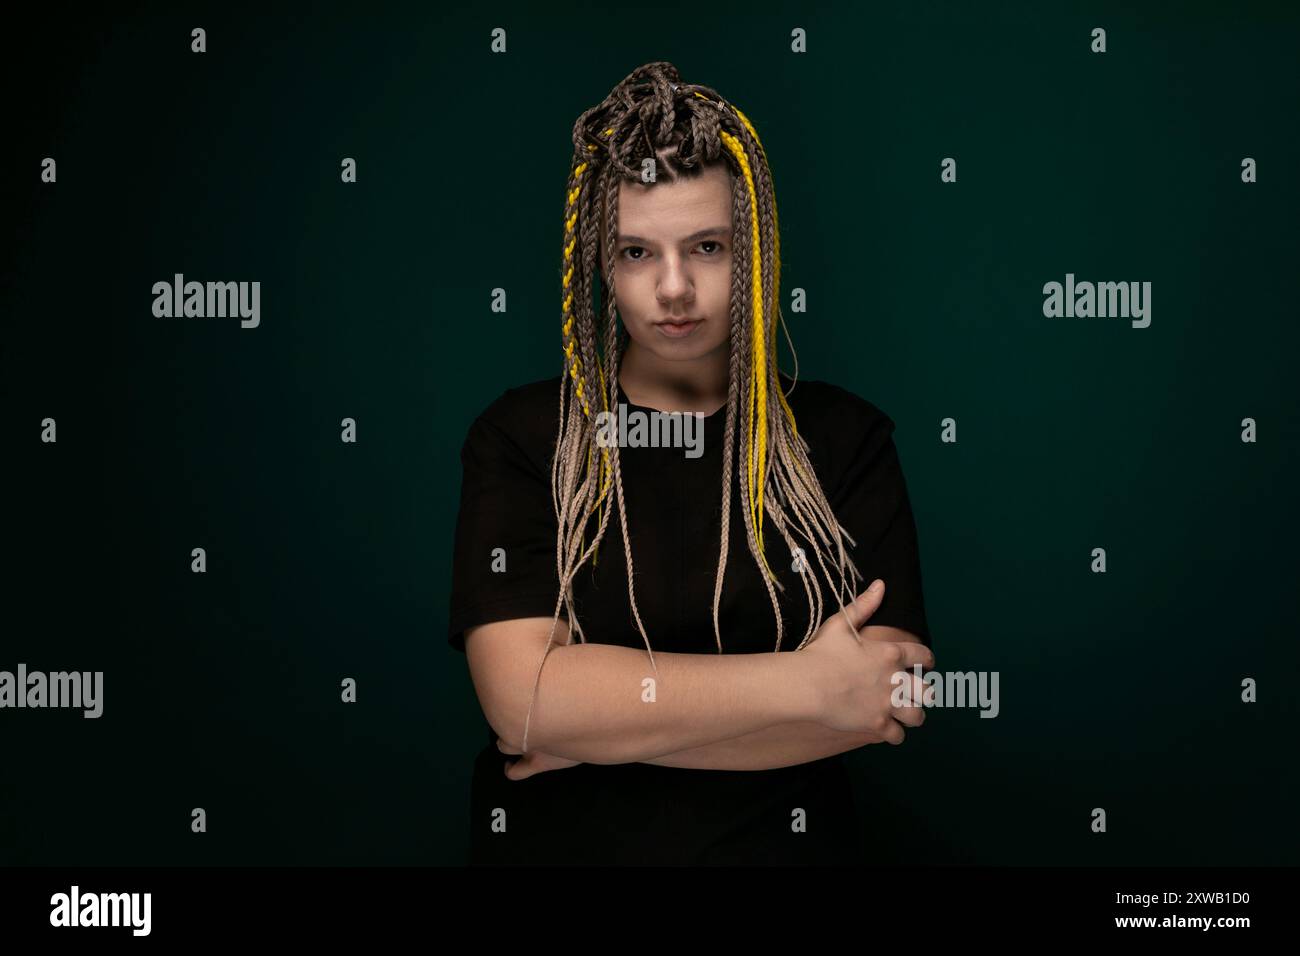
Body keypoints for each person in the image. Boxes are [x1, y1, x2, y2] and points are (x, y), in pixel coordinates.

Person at [447, 61, 935, 866]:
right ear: (601, 266)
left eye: (707, 246)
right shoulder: (526, 437)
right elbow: (521, 705)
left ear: (756, 251)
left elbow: (887, 697)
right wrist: (809, 687)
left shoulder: (844, 438)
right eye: (637, 252)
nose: (674, 288)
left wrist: (592, 731)